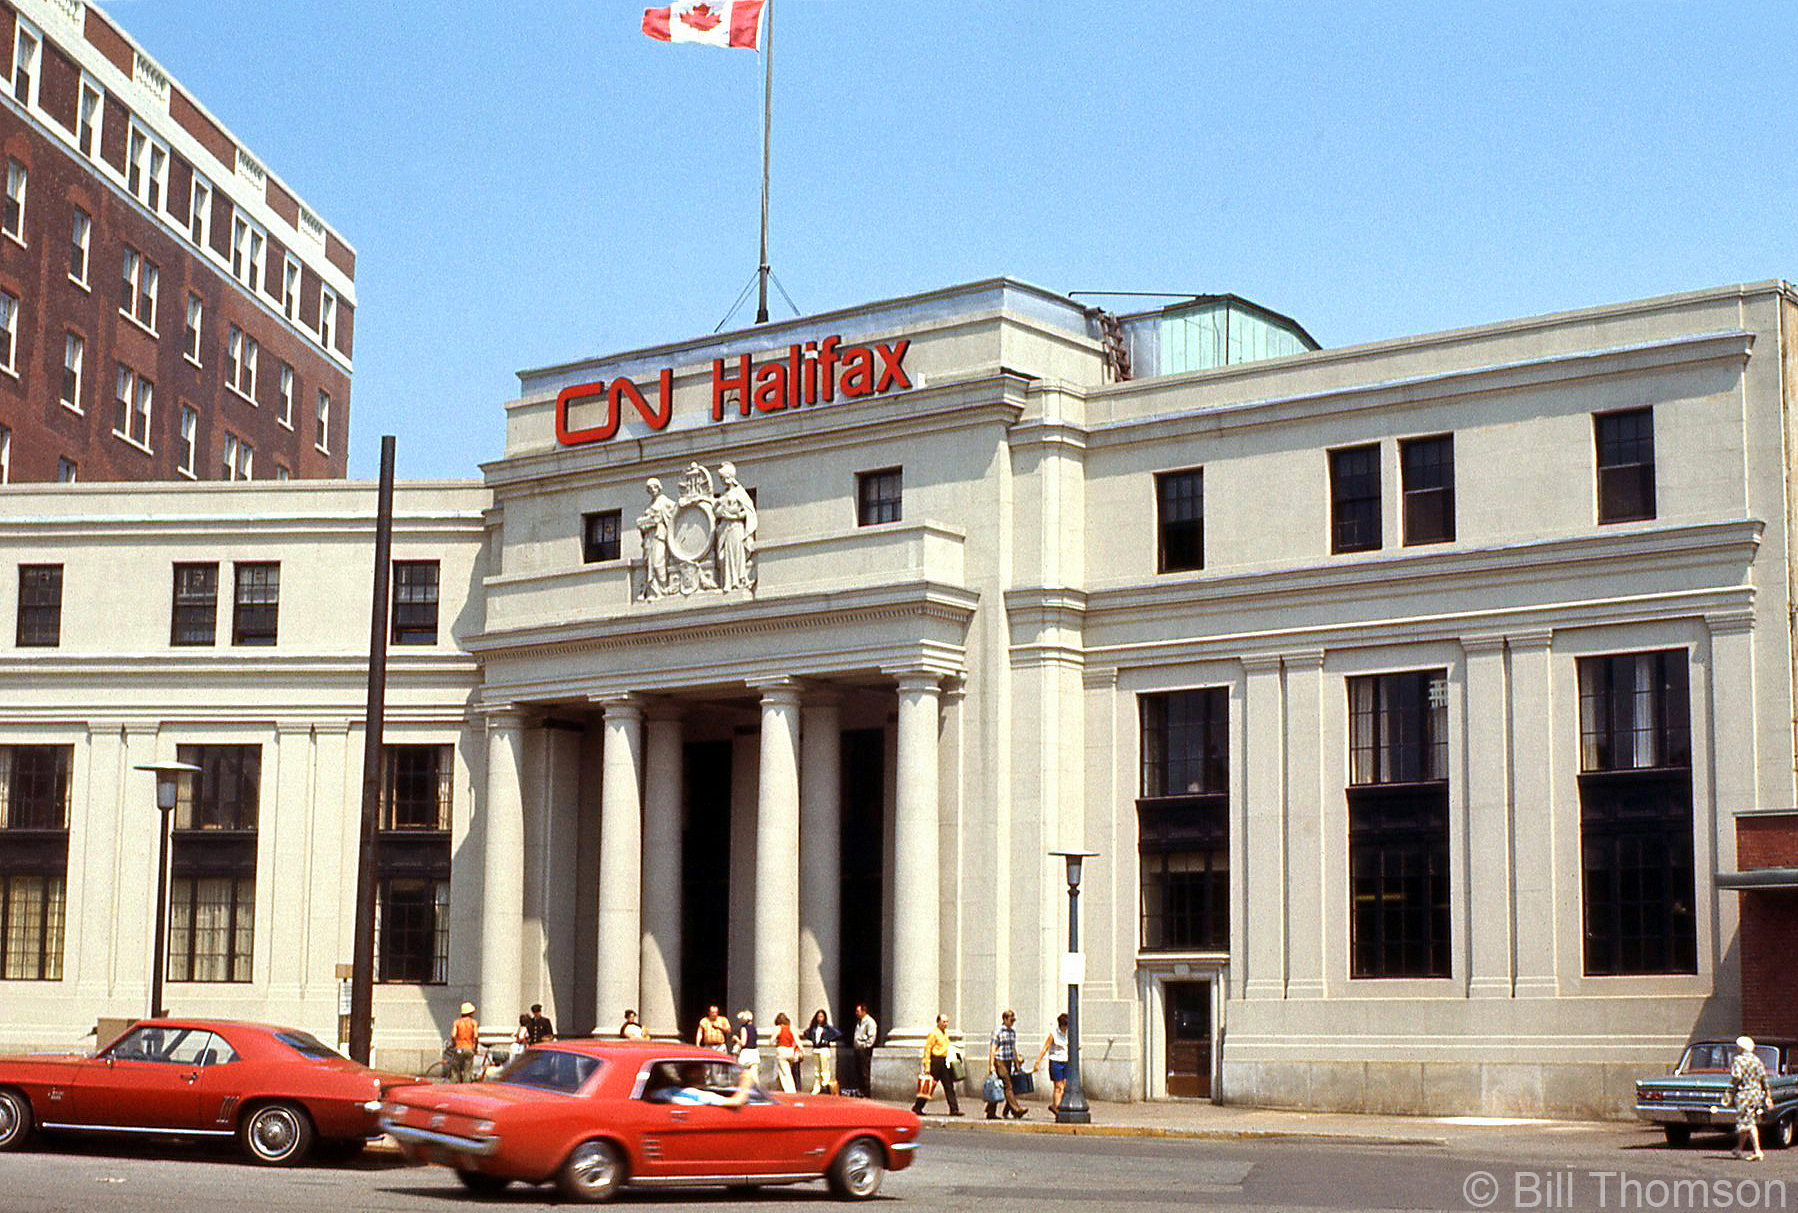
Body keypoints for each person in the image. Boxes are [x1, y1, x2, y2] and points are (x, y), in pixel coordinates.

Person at [712, 462, 758, 592]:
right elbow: (717, 511)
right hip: (724, 528)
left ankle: (735, 581)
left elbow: (747, 512)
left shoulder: (739, 492)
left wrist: (731, 515)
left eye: (722, 477)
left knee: (734, 554)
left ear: (729, 477)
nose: (721, 480)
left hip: (735, 527)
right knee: (724, 555)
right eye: (720, 478)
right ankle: (726, 581)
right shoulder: (723, 494)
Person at [911, 1013, 963, 1116]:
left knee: (949, 1085)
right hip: (936, 1062)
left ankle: (954, 1109)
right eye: (943, 1022)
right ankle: (917, 1107)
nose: (946, 1024)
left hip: (945, 1062)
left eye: (947, 1022)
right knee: (929, 1086)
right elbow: (927, 1050)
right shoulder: (933, 1033)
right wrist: (927, 1066)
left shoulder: (945, 1033)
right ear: (938, 1022)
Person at [1731, 1035, 1772, 1161]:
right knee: (1748, 1120)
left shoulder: (1738, 1060)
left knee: (1748, 1123)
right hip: (1756, 1093)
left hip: (1744, 1093)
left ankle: (1757, 1150)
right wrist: (1768, 1096)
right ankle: (1739, 1148)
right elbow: (1764, 1079)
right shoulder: (1757, 1060)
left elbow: (1736, 1077)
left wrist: (1731, 1090)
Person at [636, 477, 676, 600]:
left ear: (659, 488)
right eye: (649, 488)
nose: (652, 490)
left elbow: (676, 509)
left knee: (658, 562)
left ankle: (662, 590)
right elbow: (643, 523)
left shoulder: (664, 501)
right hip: (649, 537)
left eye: (654, 487)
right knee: (649, 563)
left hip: (659, 535)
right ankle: (653, 591)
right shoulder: (649, 505)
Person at [986, 1009, 1027, 1120]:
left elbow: (1013, 1048)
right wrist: (991, 1065)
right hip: (1000, 1061)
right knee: (1008, 1085)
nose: (1012, 1022)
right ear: (1004, 1019)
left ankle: (990, 1110)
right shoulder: (998, 1032)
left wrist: (1017, 1063)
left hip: (1008, 1061)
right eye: (1010, 1020)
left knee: (998, 1086)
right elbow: (993, 1049)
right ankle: (1016, 1109)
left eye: (1013, 1020)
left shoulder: (1012, 1032)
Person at [1032, 1012, 1070, 1114]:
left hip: (1066, 1061)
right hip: (1056, 1061)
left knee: (1064, 1087)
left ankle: (1057, 1106)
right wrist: (1037, 1061)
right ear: (1061, 1025)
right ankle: (1056, 1107)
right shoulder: (1054, 1034)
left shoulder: (1069, 1034)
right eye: (1064, 1026)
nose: (1065, 1028)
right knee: (1058, 1086)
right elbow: (1045, 1048)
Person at [804, 1009, 843, 1094]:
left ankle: (825, 1086)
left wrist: (828, 1040)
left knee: (825, 1069)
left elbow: (838, 1034)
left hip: (824, 1049)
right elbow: (806, 1033)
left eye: (821, 1016)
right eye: (818, 1016)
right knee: (817, 1069)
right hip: (816, 1049)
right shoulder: (814, 1028)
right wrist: (813, 1039)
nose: (819, 1018)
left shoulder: (827, 1028)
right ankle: (817, 1086)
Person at [449, 1001, 480, 1083]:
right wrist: (475, 1048)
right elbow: (476, 1036)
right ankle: (466, 1088)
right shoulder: (473, 1023)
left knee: (455, 1070)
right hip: (469, 1048)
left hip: (459, 1047)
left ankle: (454, 1087)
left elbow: (453, 1035)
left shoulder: (457, 1022)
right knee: (467, 1071)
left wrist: (454, 1044)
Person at [852, 1004, 877, 1097]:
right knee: (859, 1070)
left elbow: (872, 1036)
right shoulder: (859, 1022)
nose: (856, 1013)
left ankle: (866, 1091)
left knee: (864, 1071)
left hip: (864, 1049)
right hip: (858, 1048)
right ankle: (860, 1089)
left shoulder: (869, 1022)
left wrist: (866, 1045)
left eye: (858, 1011)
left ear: (864, 1011)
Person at [772, 1012, 800, 1092]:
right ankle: (783, 1087)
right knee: (784, 1070)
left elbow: (771, 1041)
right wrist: (801, 1049)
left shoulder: (778, 1028)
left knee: (785, 1072)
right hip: (790, 1050)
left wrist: (776, 1043)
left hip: (781, 1050)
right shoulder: (791, 1028)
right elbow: (796, 1040)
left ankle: (790, 1090)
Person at [733, 1009, 760, 1074]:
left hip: (746, 1053)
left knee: (744, 1073)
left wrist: (736, 1039)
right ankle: (757, 1084)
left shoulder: (744, 1028)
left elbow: (743, 1043)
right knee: (754, 1074)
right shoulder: (754, 1028)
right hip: (755, 1052)